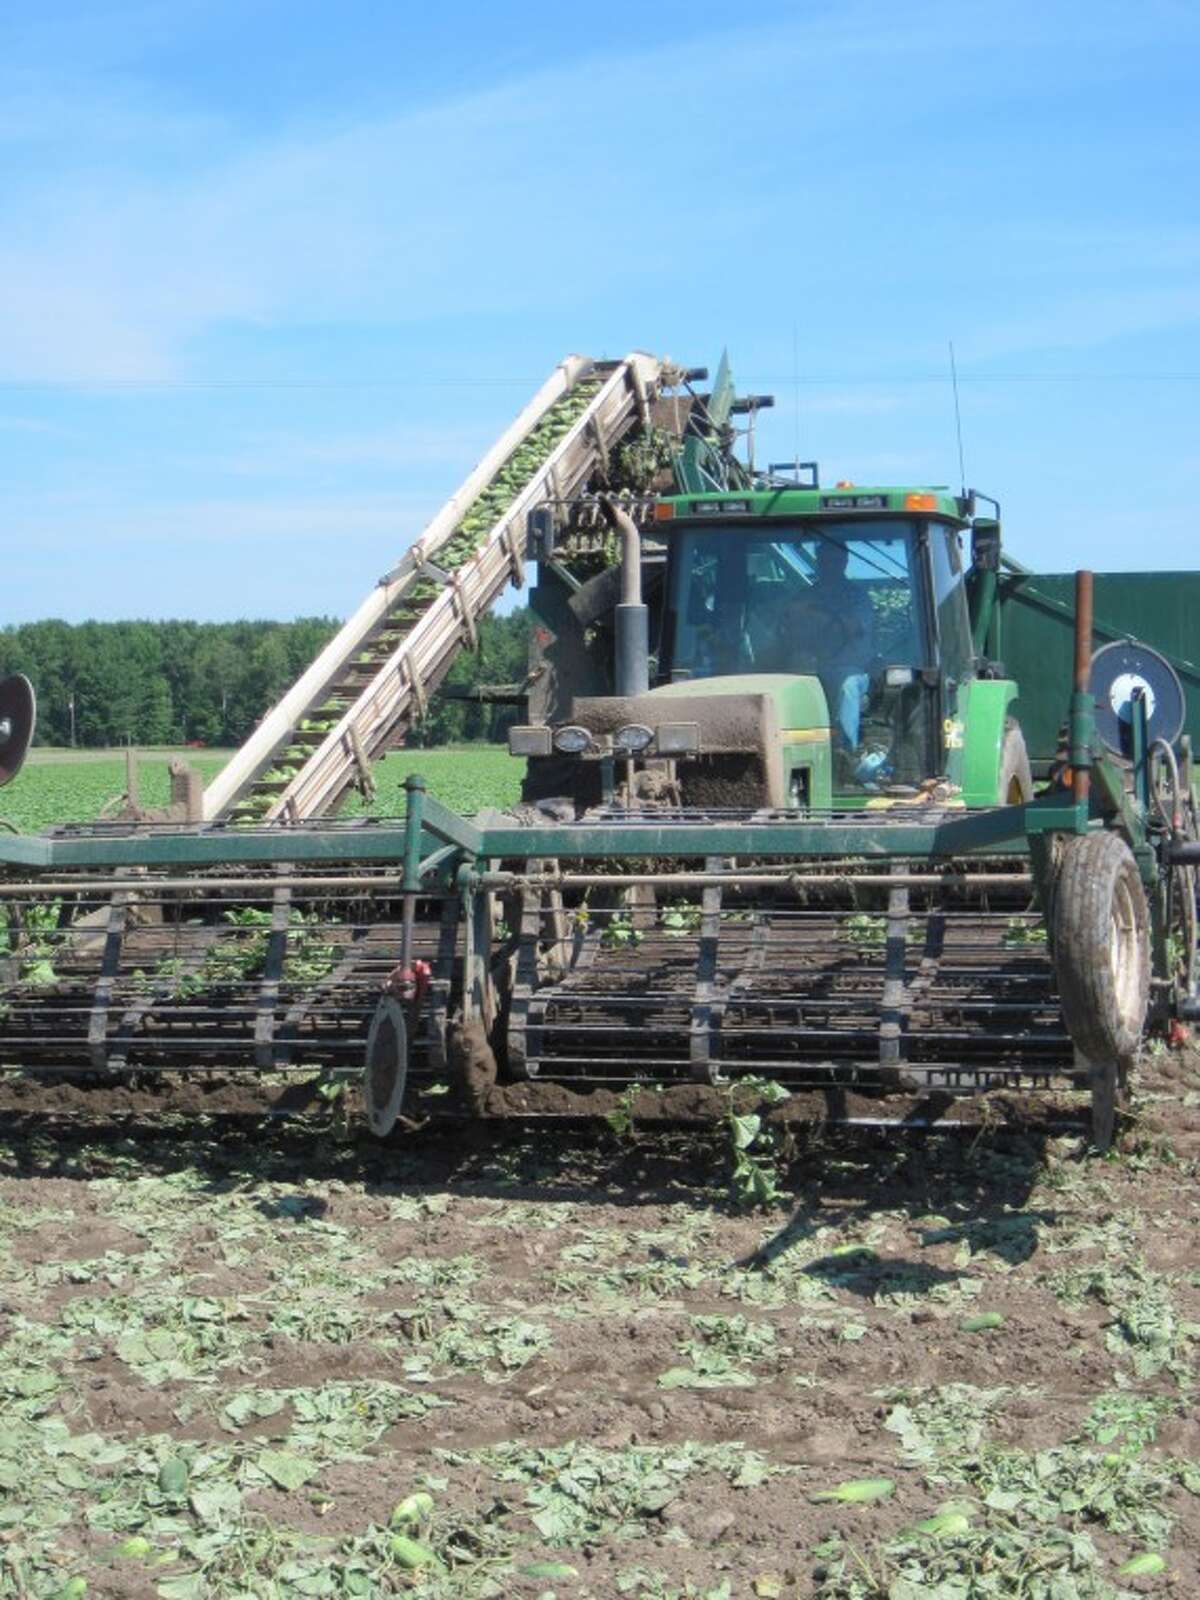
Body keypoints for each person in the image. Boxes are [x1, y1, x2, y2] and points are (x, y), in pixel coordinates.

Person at [772, 539, 873, 751]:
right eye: (825, 559)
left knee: (847, 687)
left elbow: (856, 627)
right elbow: (788, 628)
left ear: (844, 562)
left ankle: (846, 751)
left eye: (835, 560)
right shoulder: (805, 595)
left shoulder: (857, 597)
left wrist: (820, 614)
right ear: (819, 562)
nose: (829, 564)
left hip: (849, 666)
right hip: (809, 665)